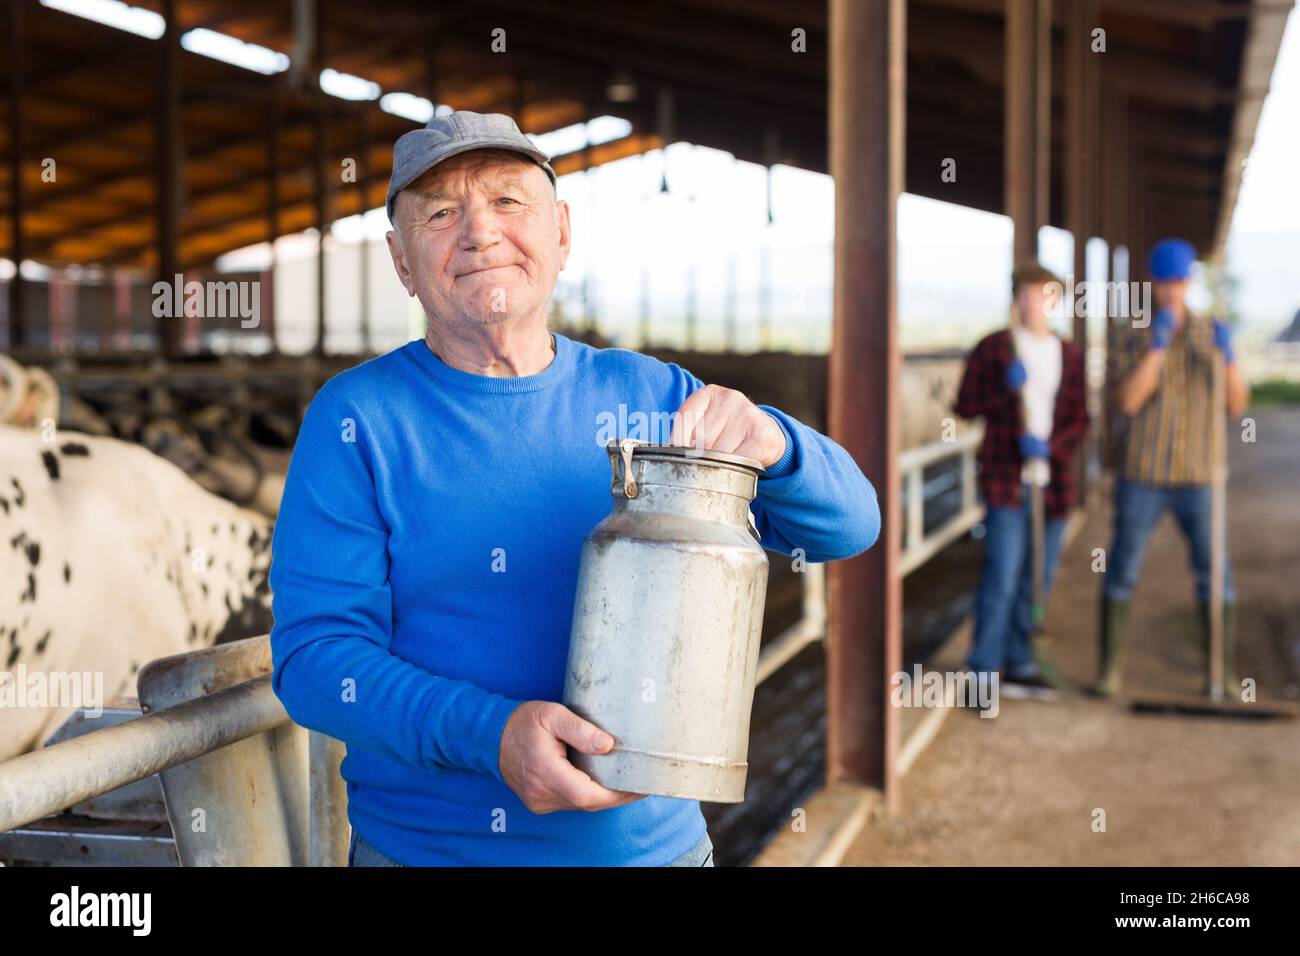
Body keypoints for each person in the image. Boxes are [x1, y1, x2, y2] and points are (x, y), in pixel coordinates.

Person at [268, 111, 881, 866]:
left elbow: (852, 524)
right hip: (433, 854)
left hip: (654, 854)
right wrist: (490, 735)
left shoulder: (649, 396)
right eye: (439, 213)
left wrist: (778, 443)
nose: (480, 233)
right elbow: (316, 659)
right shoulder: (357, 419)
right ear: (401, 261)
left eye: (507, 202)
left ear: (562, 232)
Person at [1097, 237, 1248, 697]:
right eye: (1163, 283)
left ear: (1189, 282)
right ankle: (1109, 672)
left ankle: (1217, 671)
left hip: (1201, 476)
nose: (1171, 291)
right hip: (1143, 474)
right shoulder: (1131, 333)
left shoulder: (1213, 331)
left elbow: (1237, 407)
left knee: (1213, 573)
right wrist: (1157, 350)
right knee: (1122, 567)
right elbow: (1126, 402)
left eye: (1179, 282)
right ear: (1152, 283)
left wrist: (1230, 360)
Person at [953, 260, 1089, 698]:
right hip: (1007, 481)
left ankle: (1021, 661)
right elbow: (966, 405)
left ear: (1057, 300)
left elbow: (1081, 418)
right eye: (1029, 293)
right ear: (1017, 298)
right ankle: (983, 672)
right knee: (1002, 574)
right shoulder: (996, 349)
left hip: (1053, 483)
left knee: (1038, 578)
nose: (1037, 302)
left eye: (1047, 294)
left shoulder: (1069, 354)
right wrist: (1003, 392)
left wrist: (1052, 447)